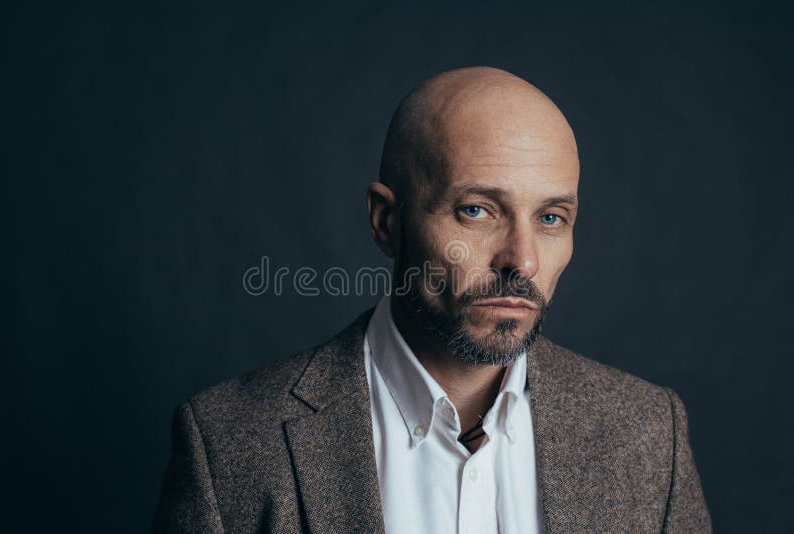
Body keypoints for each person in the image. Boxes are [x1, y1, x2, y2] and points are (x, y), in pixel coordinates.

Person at [152, 66, 711, 533]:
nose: (522, 261)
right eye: (476, 210)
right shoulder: (227, 444)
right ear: (386, 221)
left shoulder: (648, 433)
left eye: (550, 218)